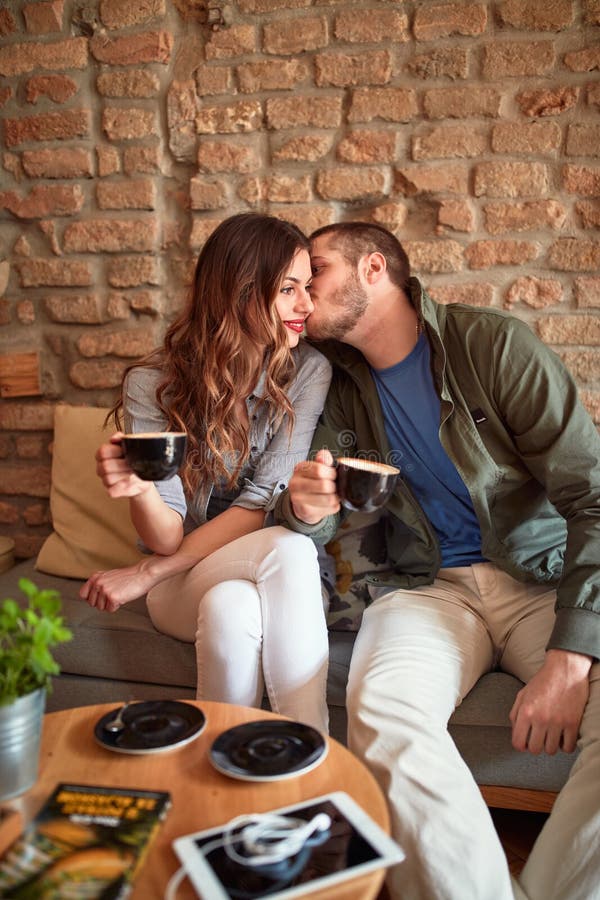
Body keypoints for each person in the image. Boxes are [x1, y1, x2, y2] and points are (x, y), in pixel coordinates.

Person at [276, 221, 600, 899]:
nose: (304, 294)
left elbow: (593, 497)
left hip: (539, 580)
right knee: (382, 707)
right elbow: (330, 525)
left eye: (318, 273)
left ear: (373, 269)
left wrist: (571, 657)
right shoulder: (335, 384)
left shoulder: (491, 346)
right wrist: (304, 510)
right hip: (426, 590)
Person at [79, 212, 332, 733]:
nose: (307, 305)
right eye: (289, 289)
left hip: (209, 575)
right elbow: (166, 536)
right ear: (240, 292)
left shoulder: (308, 371)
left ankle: (218, 774)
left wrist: (146, 571)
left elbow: (263, 504)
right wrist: (140, 490)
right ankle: (310, 759)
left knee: (233, 610)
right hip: (180, 581)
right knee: (289, 547)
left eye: (307, 288)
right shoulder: (153, 384)